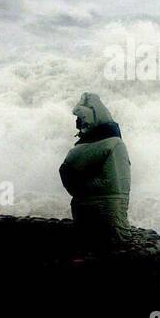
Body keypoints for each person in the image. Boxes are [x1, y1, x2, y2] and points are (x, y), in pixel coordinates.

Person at [59, 93, 131, 241]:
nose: (77, 123)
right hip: (116, 218)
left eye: (79, 119)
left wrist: (80, 191)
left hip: (95, 215)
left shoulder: (92, 146)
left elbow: (66, 170)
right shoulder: (116, 142)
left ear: (89, 118)